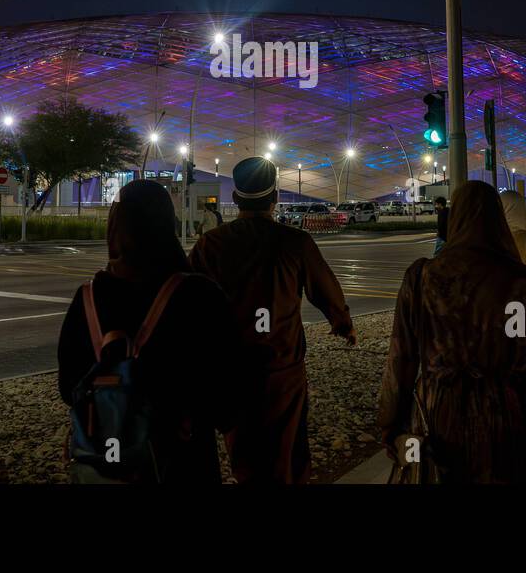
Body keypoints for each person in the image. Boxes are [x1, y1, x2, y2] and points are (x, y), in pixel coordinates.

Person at [56, 180, 242, 483]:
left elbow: (69, 386)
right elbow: (227, 396)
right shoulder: (199, 294)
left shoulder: (88, 298)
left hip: (105, 465)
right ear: (166, 224)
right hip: (183, 460)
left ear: (115, 228)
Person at [378, 180, 526, 483]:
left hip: (440, 414)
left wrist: (391, 425)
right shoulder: (524, 283)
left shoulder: (421, 277)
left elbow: (401, 358)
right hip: (506, 417)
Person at [189, 156, 356, 484]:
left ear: (235, 199)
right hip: (283, 369)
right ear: (275, 197)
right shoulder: (295, 242)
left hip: (232, 369)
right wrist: (342, 323)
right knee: (288, 452)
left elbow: (191, 300)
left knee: (245, 455)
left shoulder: (211, 244)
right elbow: (325, 291)